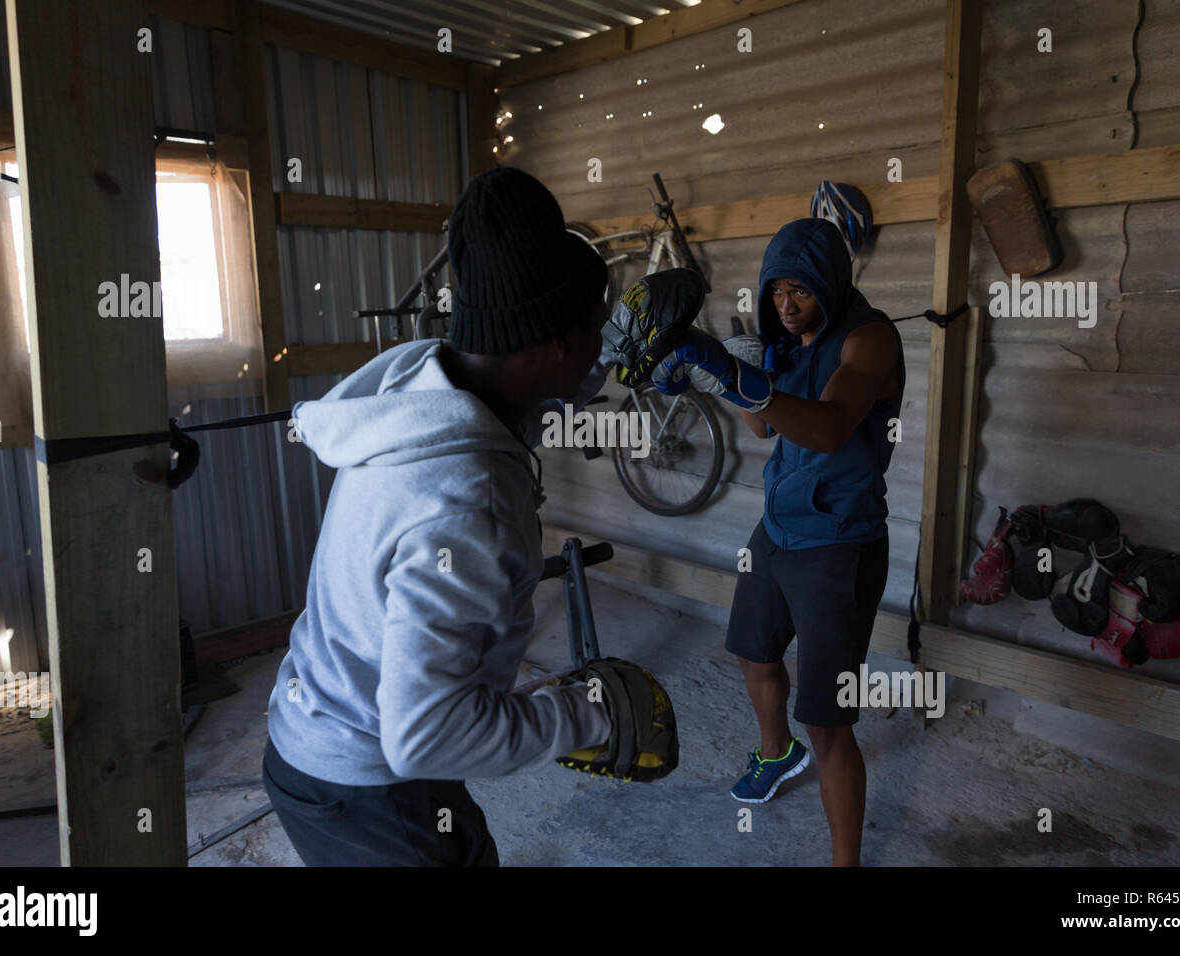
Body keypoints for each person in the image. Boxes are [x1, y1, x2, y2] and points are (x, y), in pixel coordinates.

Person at [262, 168, 621, 866]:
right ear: (559, 342)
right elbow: (426, 736)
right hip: (368, 786)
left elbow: (535, 393)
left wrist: (622, 349)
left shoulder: (420, 382)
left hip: (311, 739)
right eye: (597, 330)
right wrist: (585, 716)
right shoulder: (468, 502)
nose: (601, 348)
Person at [652, 216, 904, 866]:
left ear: (831, 284)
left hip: (840, 545)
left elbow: (826, 429)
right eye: (777, 291)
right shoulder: (781, 340)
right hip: (778, 529)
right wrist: (709, 372)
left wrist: (730, 373)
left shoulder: (869, 340)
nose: (786, 305)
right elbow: (764, 430)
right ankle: (774, 753)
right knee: (754, 654)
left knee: (828, 721)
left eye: (801, 291)